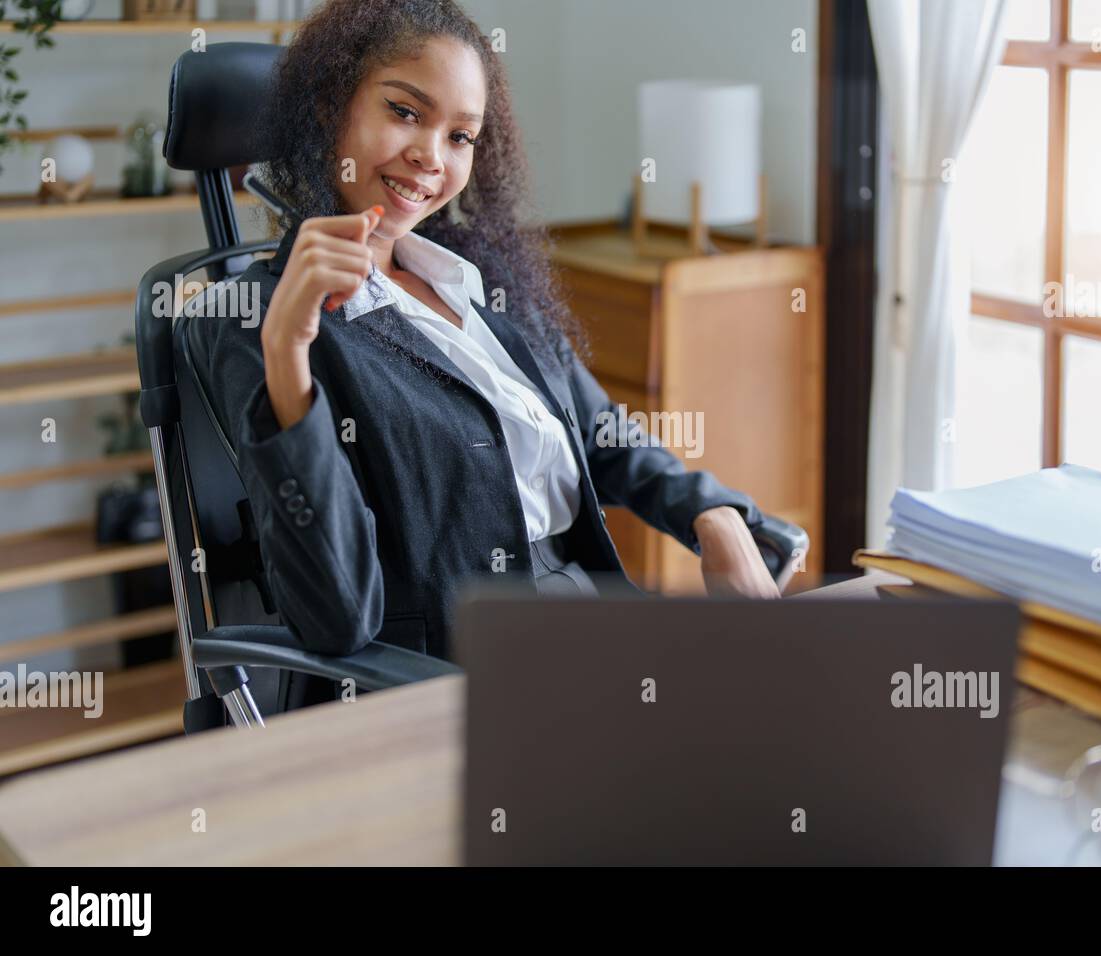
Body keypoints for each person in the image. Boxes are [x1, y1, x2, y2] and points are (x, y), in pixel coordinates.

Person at [192, 0, 781, 672]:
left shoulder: (482, 285)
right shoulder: (251, 320)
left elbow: (604, 437)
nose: (430, 157)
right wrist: (288, 356)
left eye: (460, 136)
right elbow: (335, 615)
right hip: (455, 673)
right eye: (405, 112)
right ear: (330, 107)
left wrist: (714, 517)